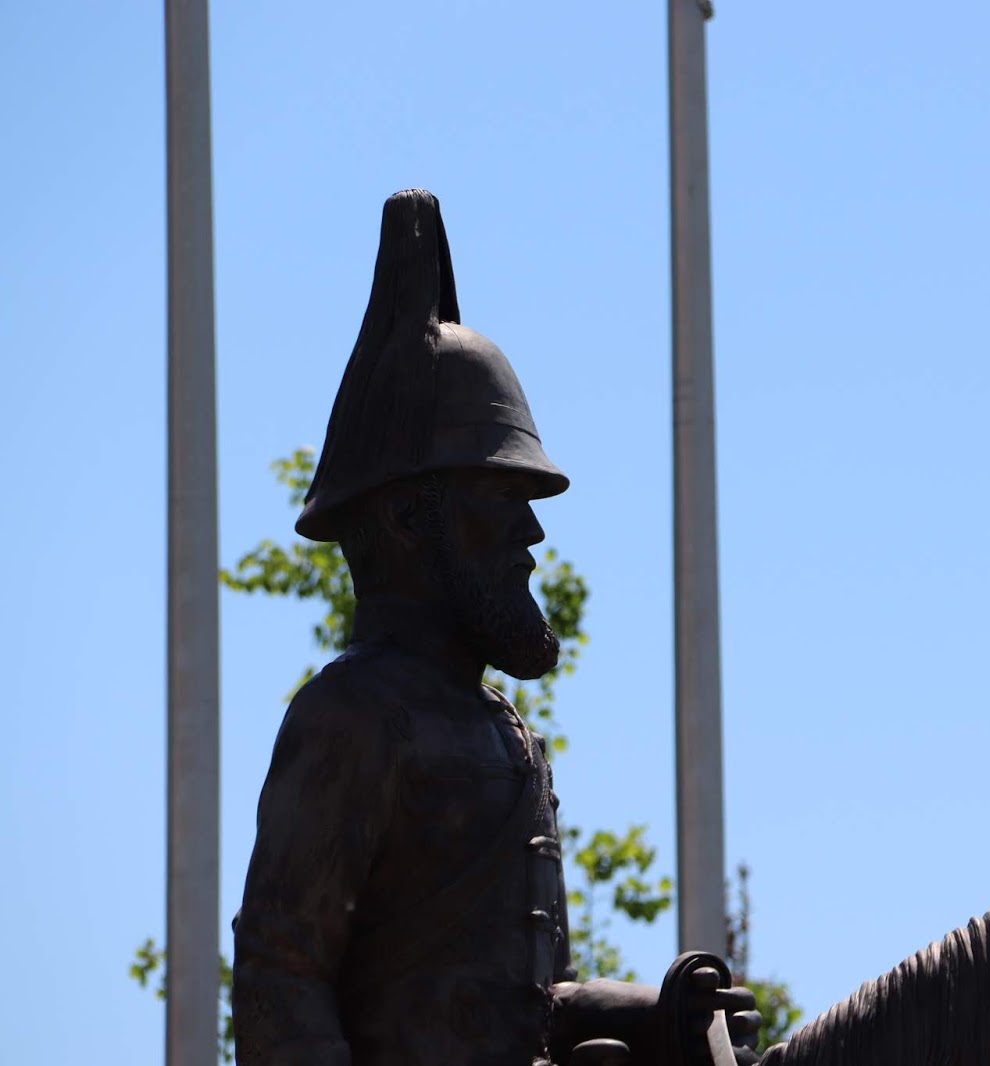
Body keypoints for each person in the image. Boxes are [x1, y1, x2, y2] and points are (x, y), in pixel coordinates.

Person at [232, 190, 753, 1066]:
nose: (532, 533)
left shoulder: (503, 732)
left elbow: (521, 1002)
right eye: (501, 498)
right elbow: (282, 979)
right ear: (406, 521)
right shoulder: (352, 717)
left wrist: (656, 1009)